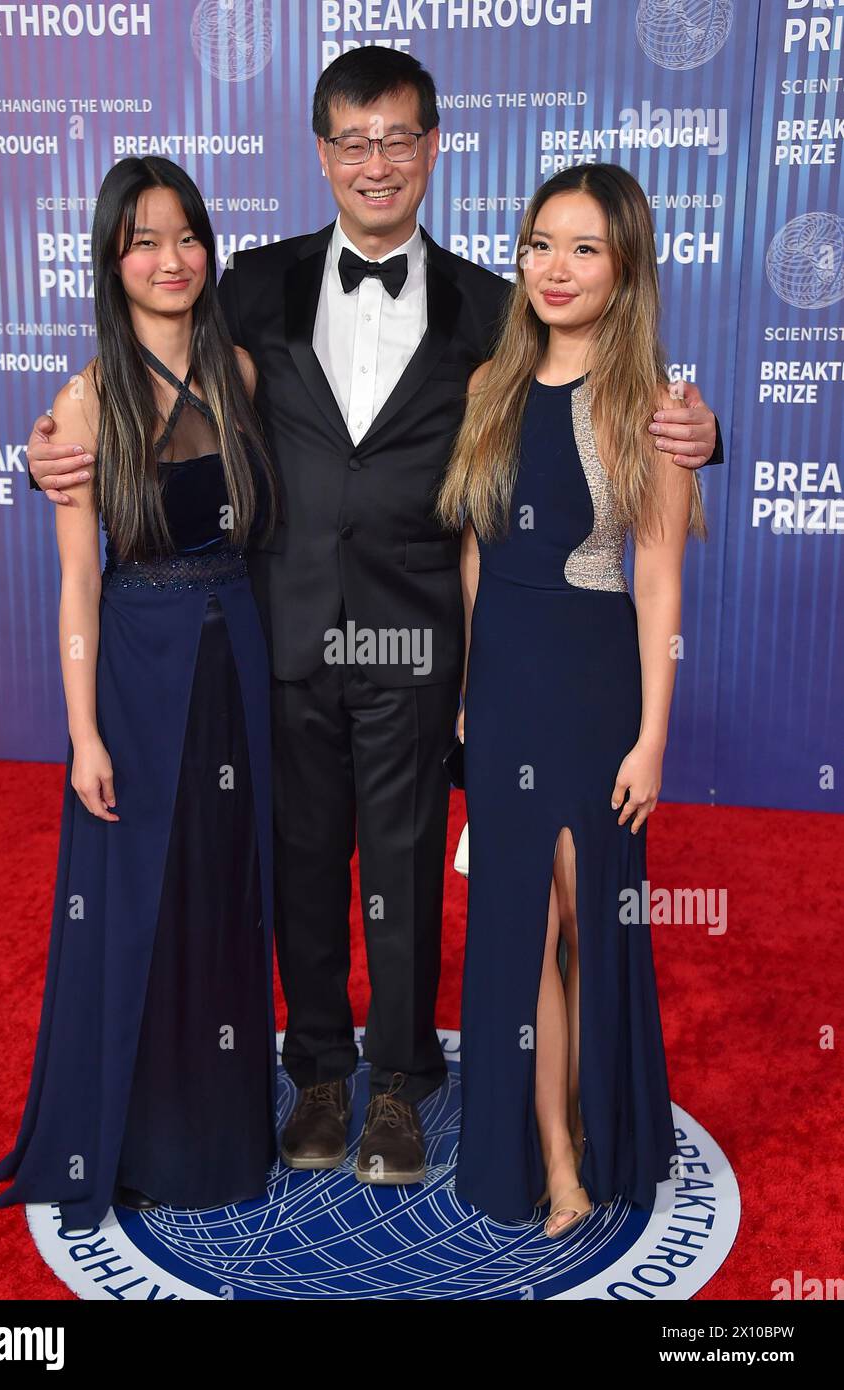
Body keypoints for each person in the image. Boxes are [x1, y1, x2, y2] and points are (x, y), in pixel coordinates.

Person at [24, 50, 723, 1188]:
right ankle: (318, 1071)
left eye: (399, 138)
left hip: (420, 641)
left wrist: (702, 433)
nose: (377, 162)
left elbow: (595, 387)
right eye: (353, 141)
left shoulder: (493, 308)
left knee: (400, 863)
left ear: (436, 146)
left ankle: (401, 1081)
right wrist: (44, 445)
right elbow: (142, 375)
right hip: (278, 632)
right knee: (300, 865)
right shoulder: (249, 284)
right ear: (320, 155)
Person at [0, 156, 279, 1230]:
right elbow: (77, 579)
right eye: (145, 241)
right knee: (134, 901)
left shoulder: (241, 371)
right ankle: (136, 1135)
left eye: (187, 236)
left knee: (226, 886)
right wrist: (81, 734)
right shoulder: (85, 396)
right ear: (113, 260)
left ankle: (223, 1134)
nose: (171, 259)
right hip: (139, 659)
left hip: (235, 648)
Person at [437, 163, 707, 1235]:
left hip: (595, 692)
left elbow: (657, 583)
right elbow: (472, 556)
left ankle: (594, 1120)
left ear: (626, 265)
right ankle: (551, 1152)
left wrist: (650, 740)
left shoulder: (656, 409)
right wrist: (464, 691)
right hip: (502, 688)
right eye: (540, 243)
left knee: (587, 921)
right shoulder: (488, 386)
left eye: (584, 248)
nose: (555, 267)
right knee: (520, 921)